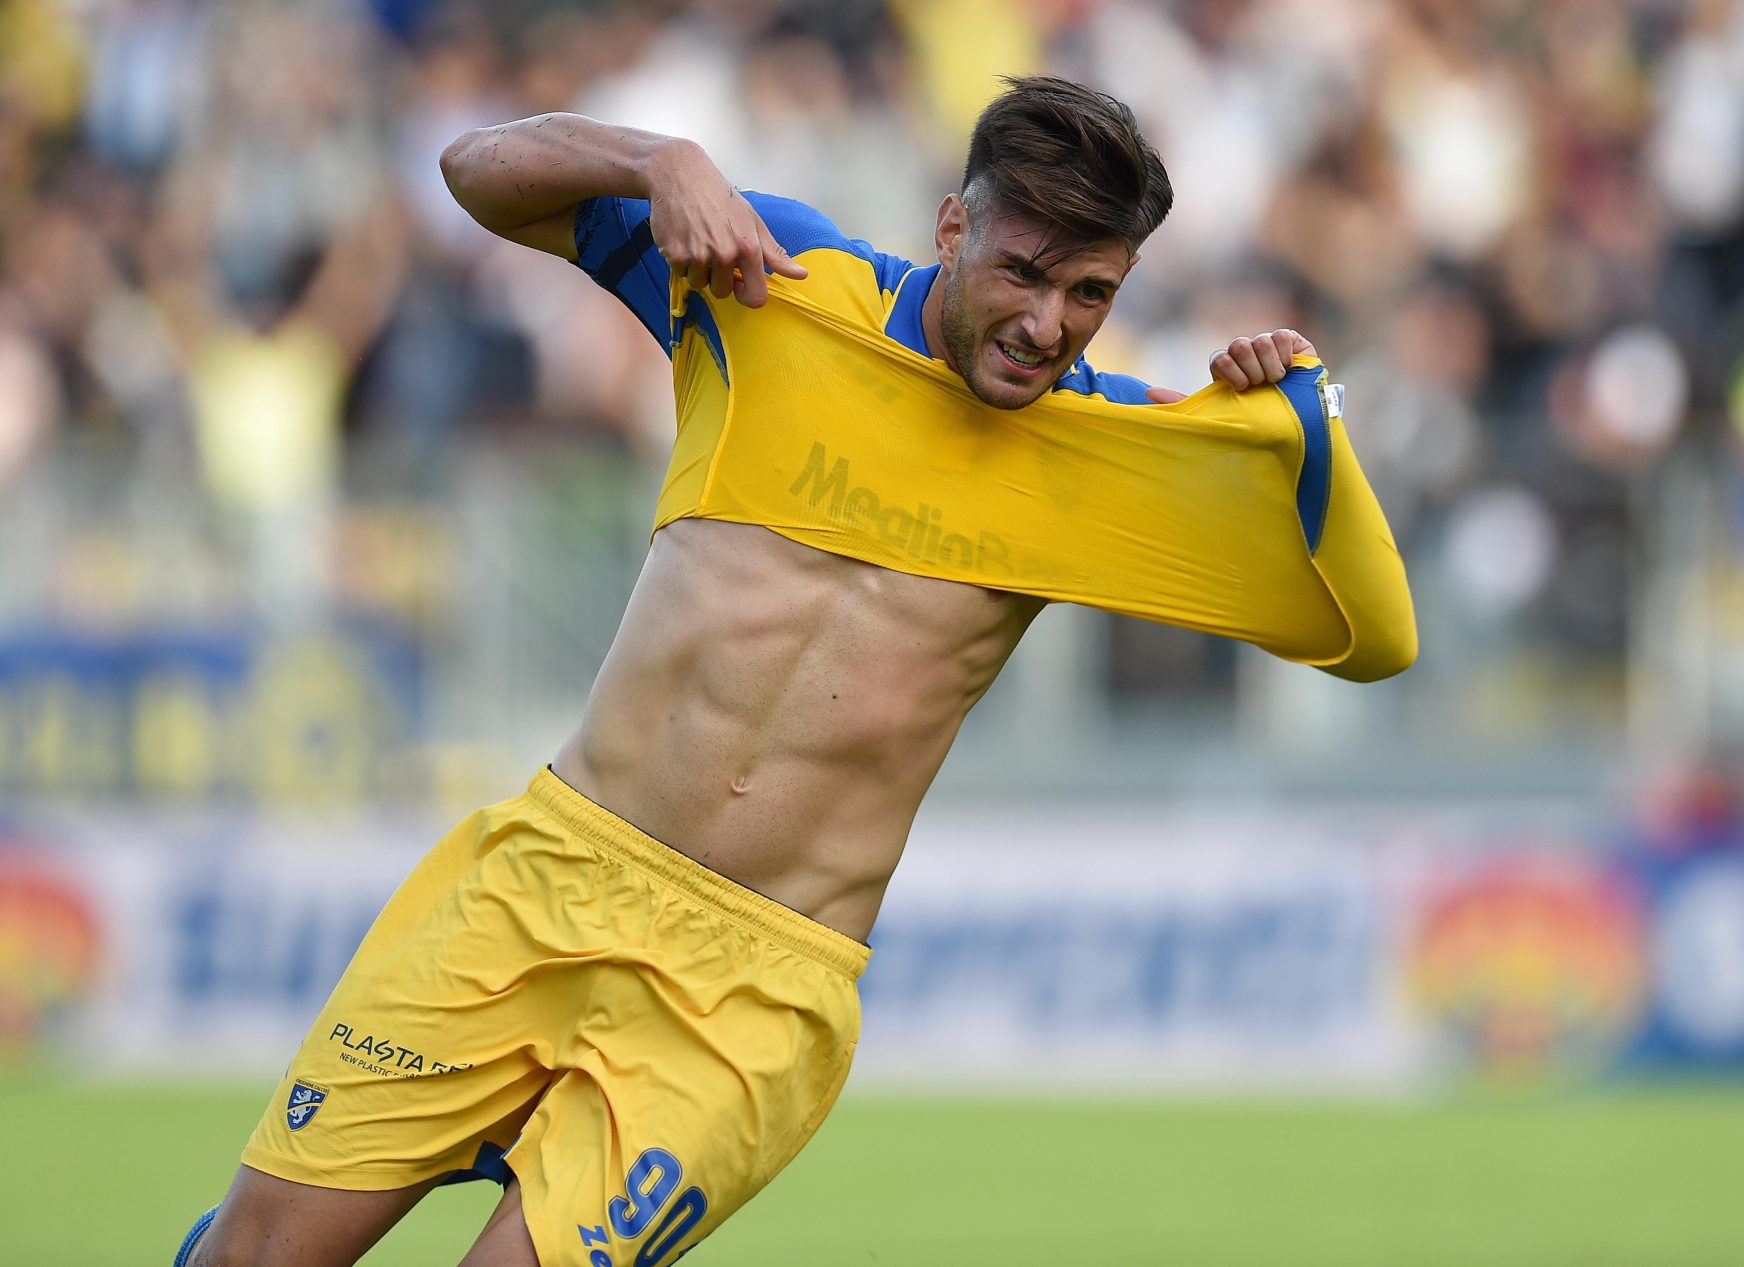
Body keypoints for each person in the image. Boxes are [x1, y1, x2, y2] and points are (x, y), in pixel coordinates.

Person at [177, 75, 1408, 1267]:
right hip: (546, 877)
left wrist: (1313, 427)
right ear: (953, 227)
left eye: (1090, 292)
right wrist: (657, 161)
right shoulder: (775, 281)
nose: (1048, 325)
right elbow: (473, 172)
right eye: (1023, 273)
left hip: (753, 993)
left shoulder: (1111, 449)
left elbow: (1373, 639)